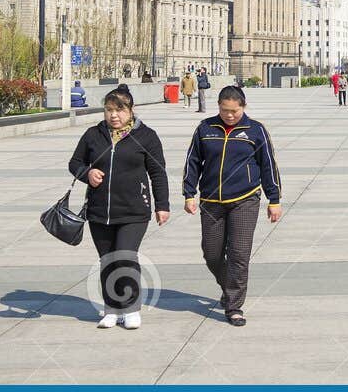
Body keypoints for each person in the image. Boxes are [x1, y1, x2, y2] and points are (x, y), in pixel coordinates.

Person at [67, 87, 170, 329]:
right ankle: (111, 308)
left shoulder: (146, 136)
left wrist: (162, 205)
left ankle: (131, 307)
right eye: (109, 110)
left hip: (134, 210)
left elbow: (158, 173)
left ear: (131, 110)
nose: (114, 115)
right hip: (99, 210)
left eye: (119, 110)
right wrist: (87, 173)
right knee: (107, 260)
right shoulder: (93, 135)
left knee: (125, 256)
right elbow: (75, 163)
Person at [182, 86, 283, 326]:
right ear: (218, 107)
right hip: (211, 200)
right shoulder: (205, 129)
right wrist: (189, 193)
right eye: (225, 111)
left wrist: (274, 199)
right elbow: (193, 161)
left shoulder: (255, 130)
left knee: (239, 253)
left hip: (245, 199)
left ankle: (234, 305)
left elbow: (268, 164)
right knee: (212, 252)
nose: (229, 116)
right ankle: (229, 286)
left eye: (234, 111)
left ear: (243, 107)